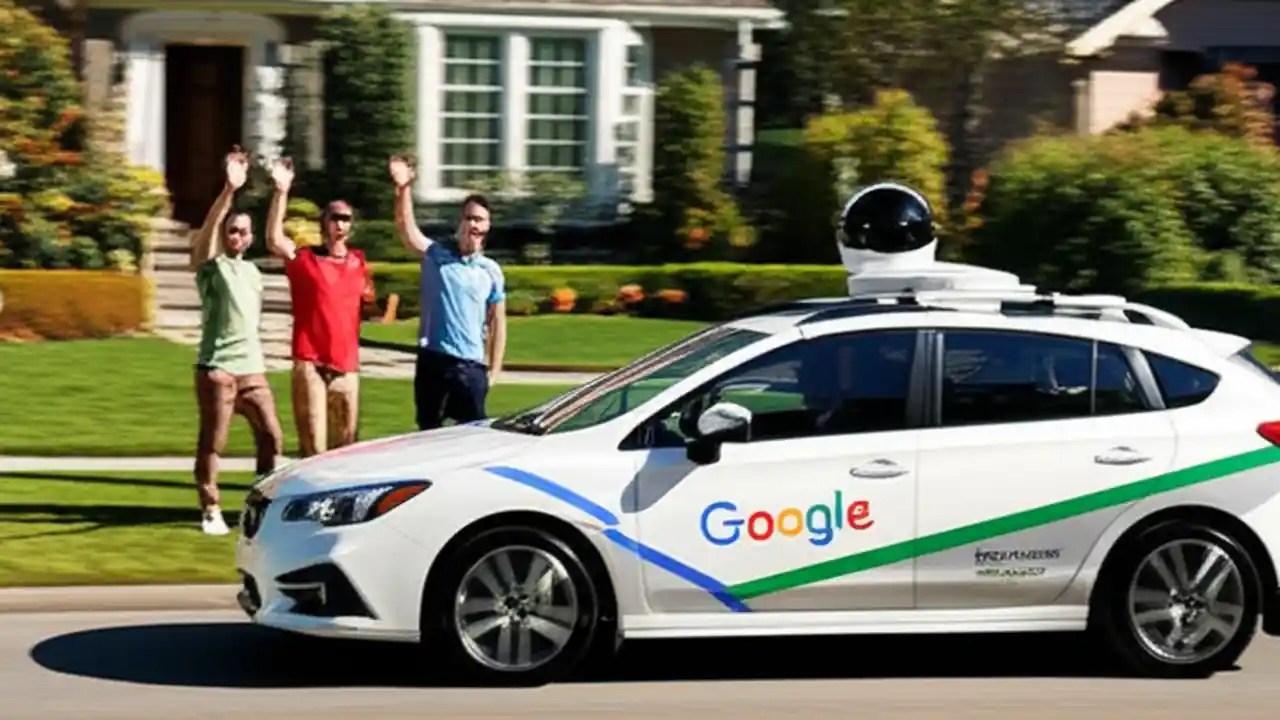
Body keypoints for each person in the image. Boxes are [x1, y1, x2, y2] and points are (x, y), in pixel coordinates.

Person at [188, 147, 284, 536]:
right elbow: (203, 243)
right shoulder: (212, 269)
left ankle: (259, 504)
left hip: (252, 368)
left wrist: (281, 191)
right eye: (233, 230)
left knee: (272, 435)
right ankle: (210, 507)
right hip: (218, 368)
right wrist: (229, 191)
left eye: (244, 231)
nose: (238, 236)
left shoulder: (254, 273)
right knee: (215, 440)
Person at [265, 157, 376, 456]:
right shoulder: (304, 260)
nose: (341, 224)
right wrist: (281, 191)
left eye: (346, 218)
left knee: (348, 451)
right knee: (313, 452)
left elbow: (365, 307)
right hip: (310, 362)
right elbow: (274, 239)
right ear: (323, 223)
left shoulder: (358, 263)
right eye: (335, 217)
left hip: (347, 367)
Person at [388, 155, 507, 430]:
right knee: (428, 435)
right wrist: (404, 188)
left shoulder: (491, 271)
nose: (473, 225)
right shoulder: (436, 256)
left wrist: (495, 370)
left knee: (472, 437)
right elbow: (407, 229)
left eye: (479, 220)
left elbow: (497, 322)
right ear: (460, 222)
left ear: (487, 226)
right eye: (469, 218)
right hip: (433, 362)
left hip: (470, 367)